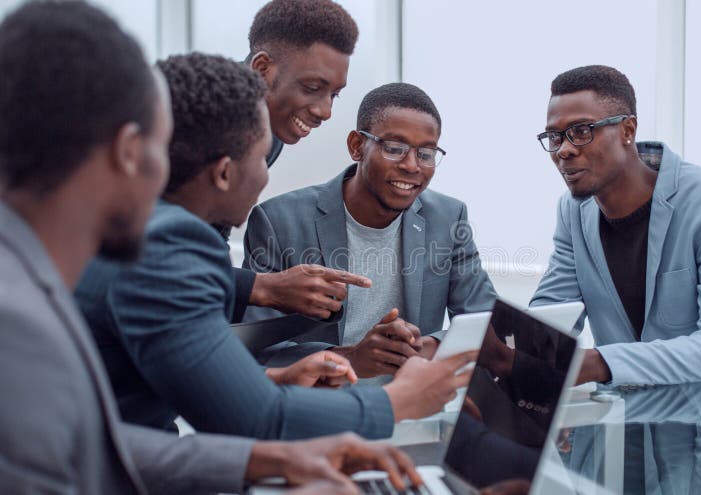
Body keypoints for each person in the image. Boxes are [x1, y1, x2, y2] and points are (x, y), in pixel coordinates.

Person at [0, 2, 421, 494]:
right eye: (162, 148)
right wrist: (401, 402)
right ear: (129, 153)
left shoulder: (33, 276)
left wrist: (261, 456)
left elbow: (92, 441)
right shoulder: (21, 324)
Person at [76, 52, 474, 439]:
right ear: (225, 173)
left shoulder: (138, 232)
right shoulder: (171, 248)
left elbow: (201, 388)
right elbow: (257, 417)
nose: (266, 179)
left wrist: (277, 379)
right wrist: (399, 402)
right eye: (262, 159)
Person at [529, 65, 701, 395]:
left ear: (627, 130)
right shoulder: (573, 210)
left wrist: (597, 363)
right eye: (554, 136)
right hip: (636, 421)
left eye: (581, 131)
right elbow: (552, 317)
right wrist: (504, 351)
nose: (564, 149)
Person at [244, 82, 496, 379]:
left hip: (411, 407)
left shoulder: (449, 218)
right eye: (394, 148)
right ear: (356, 146)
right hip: (318, 410)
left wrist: (426, 347)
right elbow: (254, 350)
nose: (412, 165)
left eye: (426, 153)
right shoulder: (278, 221)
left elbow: (486, 322)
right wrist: (348, 359)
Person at [231, 0, 370, 323]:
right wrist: (264, 287)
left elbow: (207, 242)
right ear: (261, 69)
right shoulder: (189, 120)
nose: (325, 111)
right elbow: (155, 258)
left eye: (334, 94)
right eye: (312, 88)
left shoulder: (272, 132)